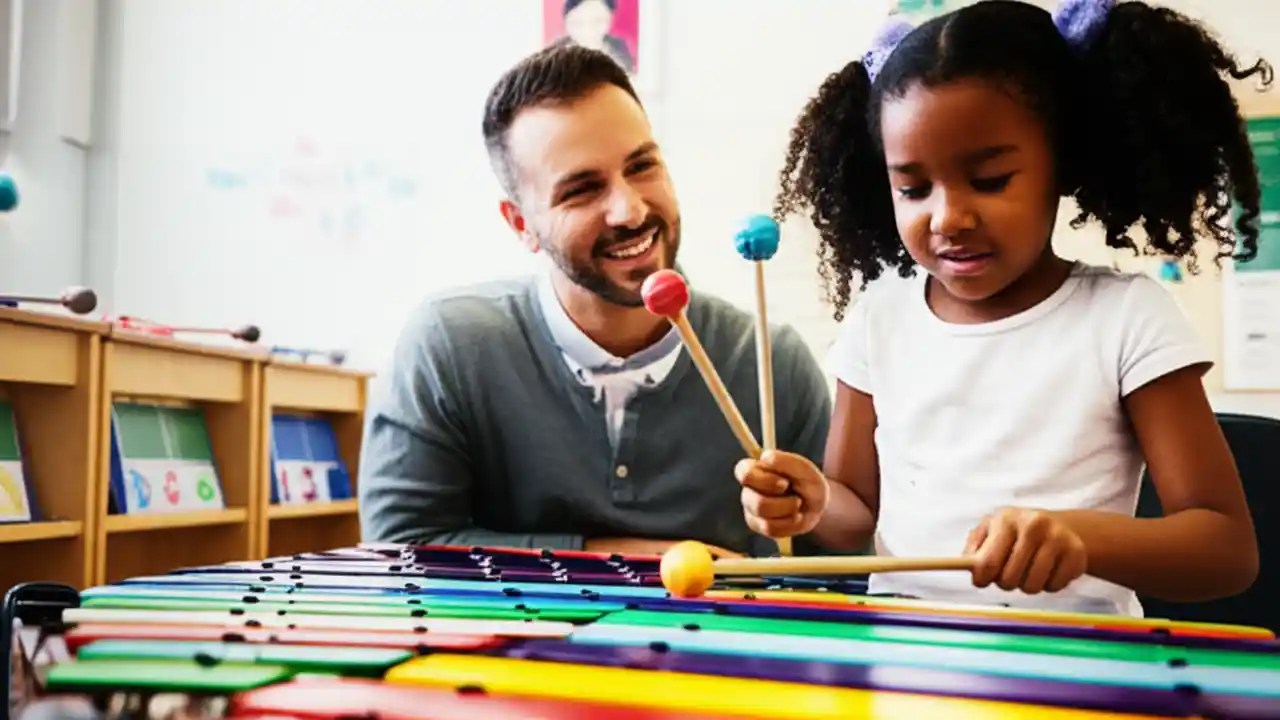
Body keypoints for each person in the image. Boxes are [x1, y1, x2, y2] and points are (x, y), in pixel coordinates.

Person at [737, 0, 1268, 615]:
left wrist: (1080, 537)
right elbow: (857, 512)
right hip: (908, 658)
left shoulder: (1127, 318)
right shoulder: (878, 318)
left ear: (1061, 164)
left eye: (990, 181)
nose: (947, 217)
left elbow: (1227, 550)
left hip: (1074, 667)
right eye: (912, 188)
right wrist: (813, 503)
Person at [358, 44, 831, 558]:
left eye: (643, 166)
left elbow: (837, 569)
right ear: (522, 225)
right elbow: (400, 546)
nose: (629, 210)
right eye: (582, 190)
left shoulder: (773, 363)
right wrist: (636, 558)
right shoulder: (448, 345)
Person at [551, 0, 636, 75]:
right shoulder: (554, 54)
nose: (588, 30)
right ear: (566, 23)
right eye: (578, 23)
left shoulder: (619, 48)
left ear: (610, 19)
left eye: (597, 21)